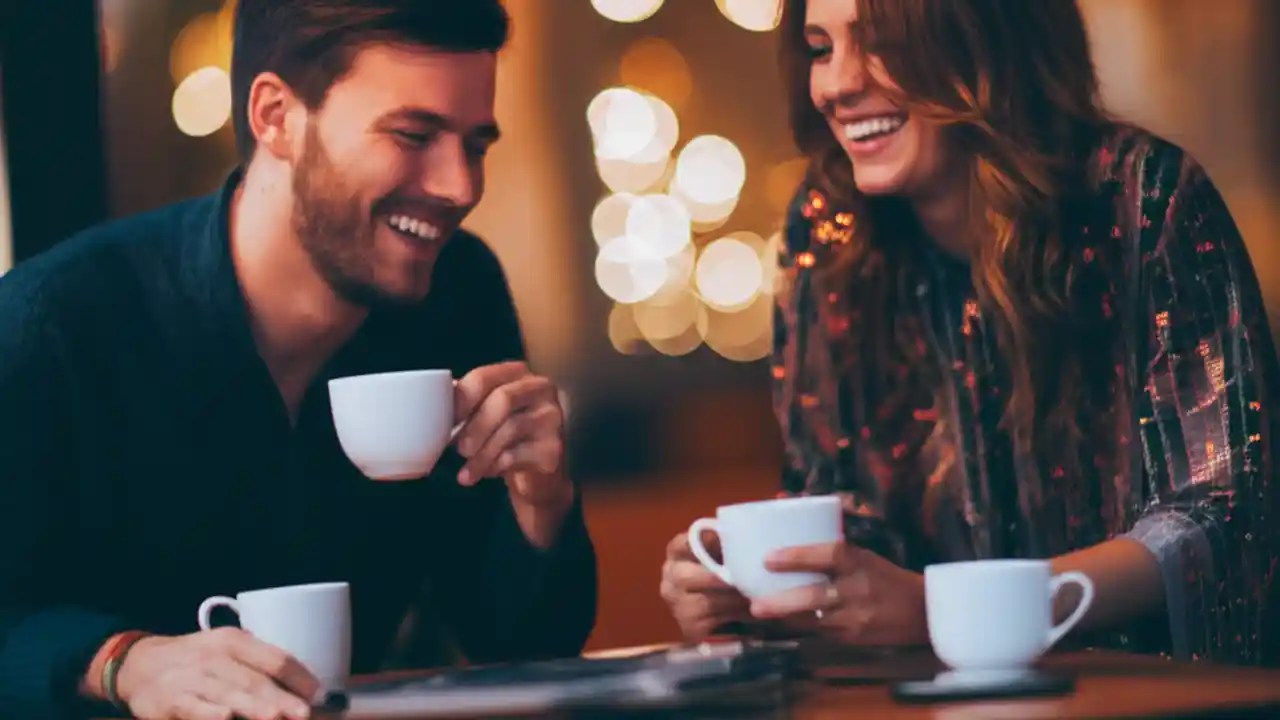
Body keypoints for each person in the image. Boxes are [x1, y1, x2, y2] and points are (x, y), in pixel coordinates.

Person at [0, 1, 597, 718]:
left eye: (475, 145)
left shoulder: (458, 295)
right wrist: (124, 662)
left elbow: (520, 641)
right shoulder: (59, 322)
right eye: (413, 135)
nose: (460, 187)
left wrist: (541, 504)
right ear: (276, 116)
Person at [662, 0, 1278, 666]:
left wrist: (939, 608)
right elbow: (844, 506)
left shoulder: (1144, 198)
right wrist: (757, 588)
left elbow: (1221, 521)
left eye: (881, 42)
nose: (836, 85)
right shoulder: (828, 233)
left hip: (1152, 698)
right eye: (820, 48)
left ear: (987, 39)